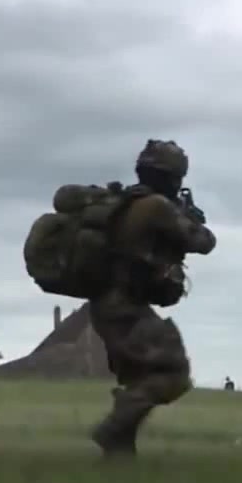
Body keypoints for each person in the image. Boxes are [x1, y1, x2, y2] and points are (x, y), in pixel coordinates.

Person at [89, 139, 217, 458]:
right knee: (173, 375)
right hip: (125, 306)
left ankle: (119, 455)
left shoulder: (128, 202)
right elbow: (202, 242)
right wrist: (191, 219)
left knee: (140, 378)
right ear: (171, 178)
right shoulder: (156, 207)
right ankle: (112, 430)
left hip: (110, 304)